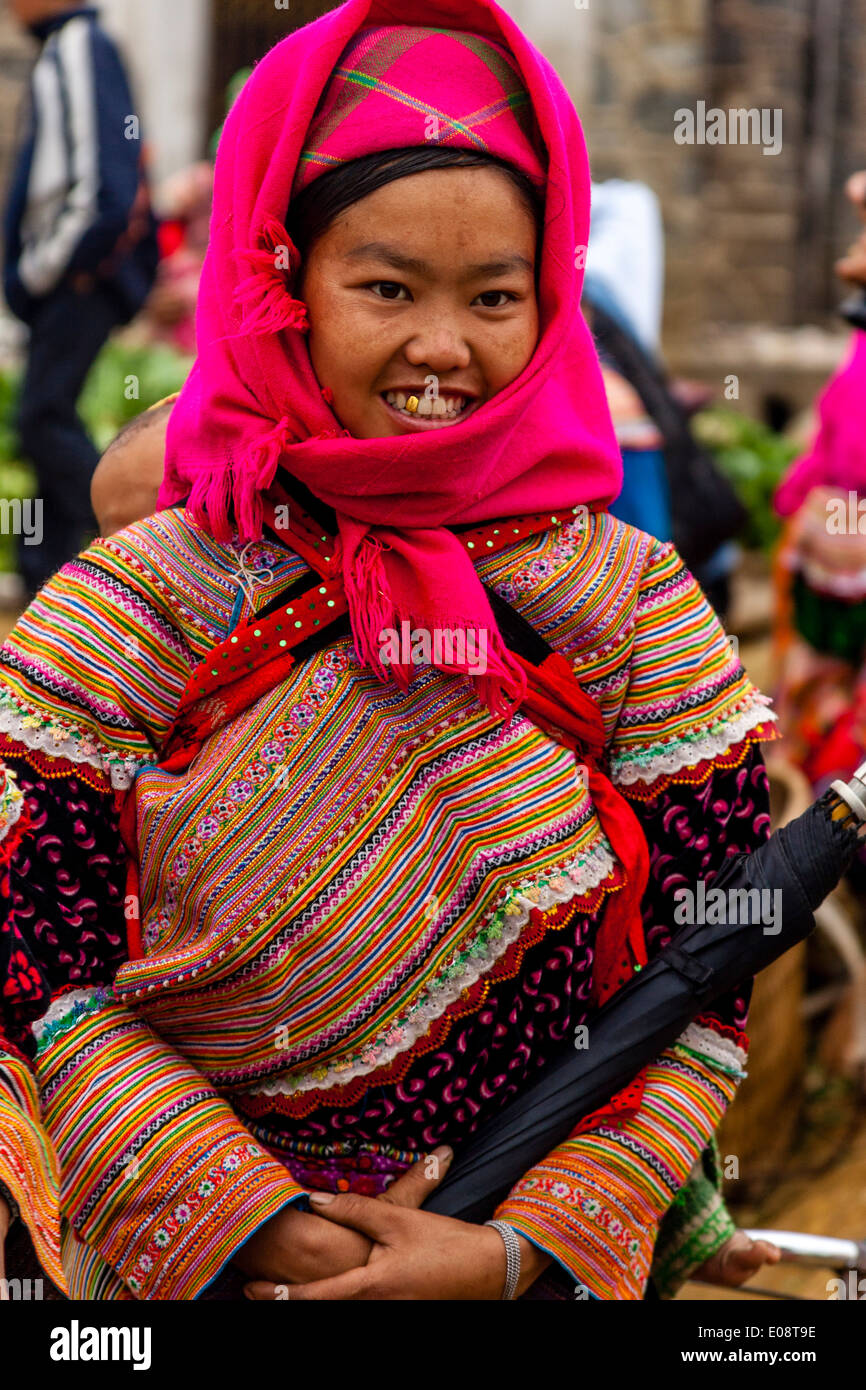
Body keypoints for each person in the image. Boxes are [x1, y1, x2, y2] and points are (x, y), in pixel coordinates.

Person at [0, 0, 781, 1301]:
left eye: (494, 296)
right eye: (383, 287)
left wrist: (522, 1245)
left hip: (507, 1226)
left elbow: (705, 964)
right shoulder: (145, 598)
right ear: (278, 281)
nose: (440, 345)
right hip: (176, 1256)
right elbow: (35, 945)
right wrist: (249, 1217)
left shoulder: (632, 609)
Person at [2, 0, 159, 598]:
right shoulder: (66, 47)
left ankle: (134, 551)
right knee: (46, 415)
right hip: (70, 279)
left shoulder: (79, 45)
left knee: (43, 416)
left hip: (75, 281)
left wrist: (43, 271)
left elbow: (103, 188)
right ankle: (51, 573)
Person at [773, 171, 866, 790]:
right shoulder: (855, 359)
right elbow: (833, 441)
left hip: (845, 546)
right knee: (825, 677)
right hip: (834, 554)